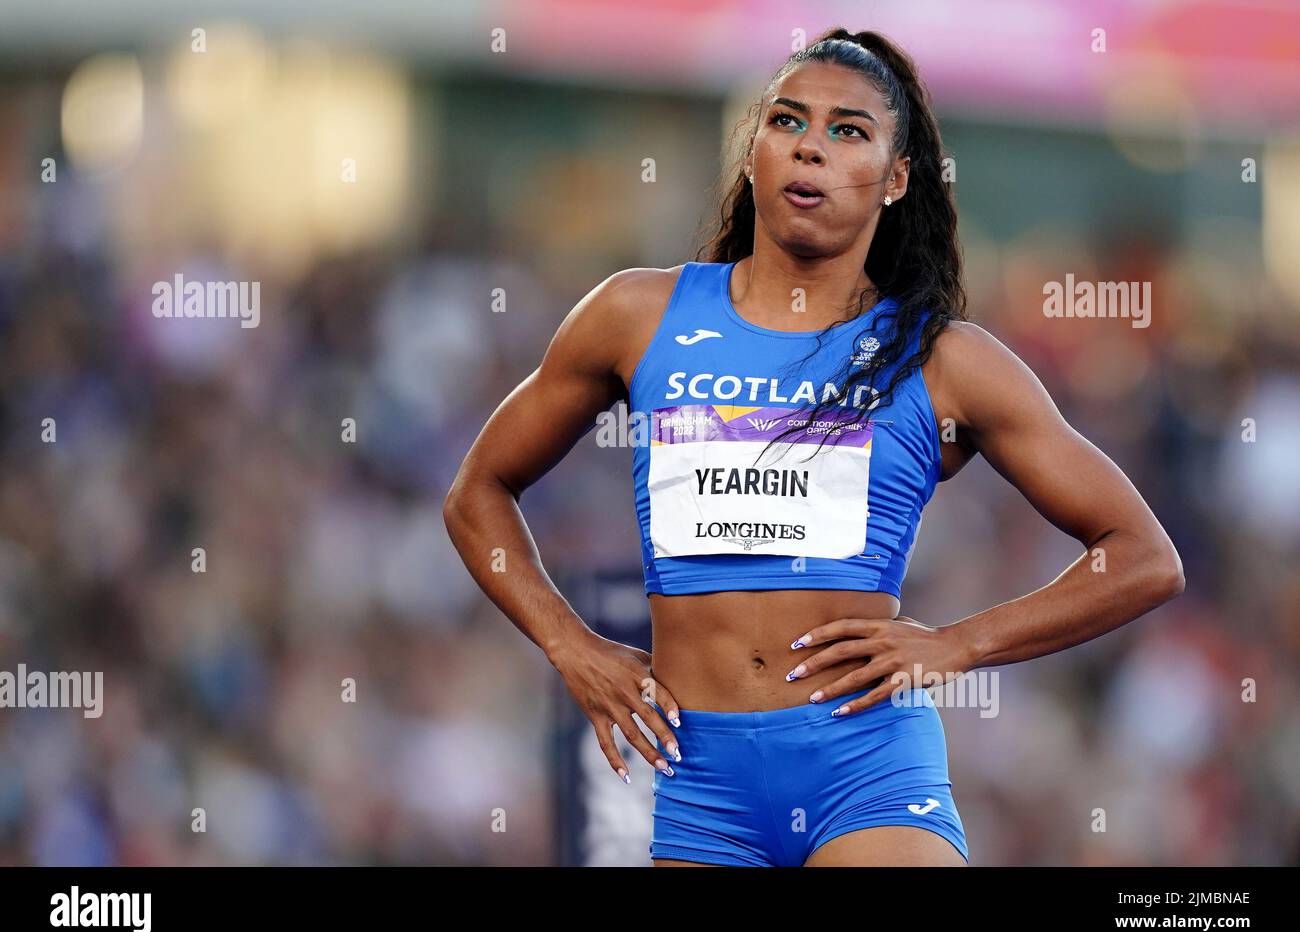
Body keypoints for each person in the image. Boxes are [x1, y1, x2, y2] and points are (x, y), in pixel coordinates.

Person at [442, 28, 1184, 867]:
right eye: (788, 120)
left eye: (849, 131)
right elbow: (478, 492)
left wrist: (959, 643)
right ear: (754, 148)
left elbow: (1143, 557)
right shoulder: (635, 316)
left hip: (865, 768)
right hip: (699, 781)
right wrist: (570, 645)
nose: (811, 147)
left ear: (897, 179)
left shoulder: (943, 360)